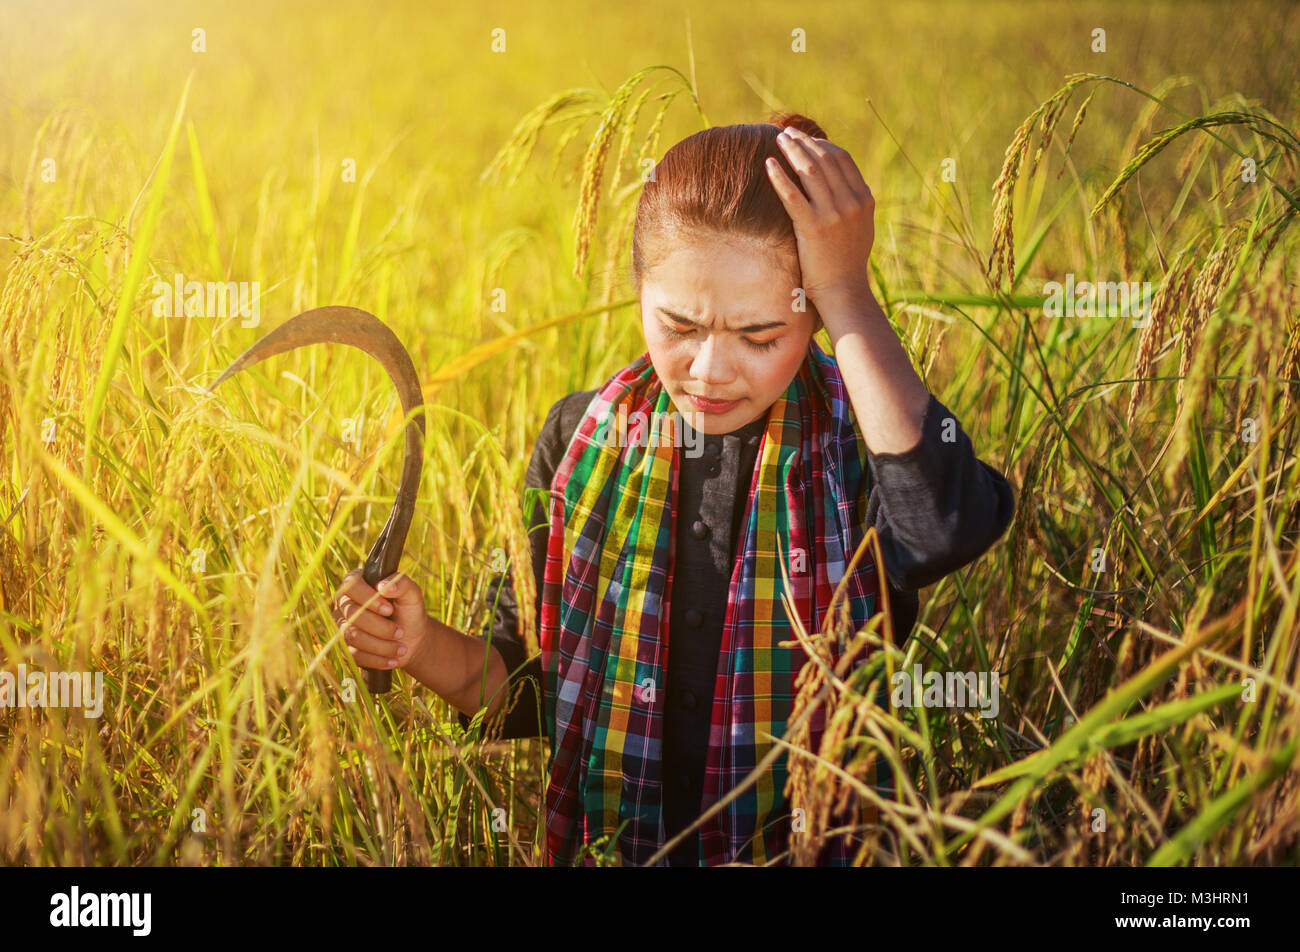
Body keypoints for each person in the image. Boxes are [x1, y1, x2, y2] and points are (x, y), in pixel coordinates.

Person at [331, 111, 1015, 867]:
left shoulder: (860, 449)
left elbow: (944, 525)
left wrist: (848, 289)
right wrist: (417, 644)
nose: (711, 371)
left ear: (814, 313)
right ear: (637, 291)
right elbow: (522, 690)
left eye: (760, 337)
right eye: (680, 325)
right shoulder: (578, 441)